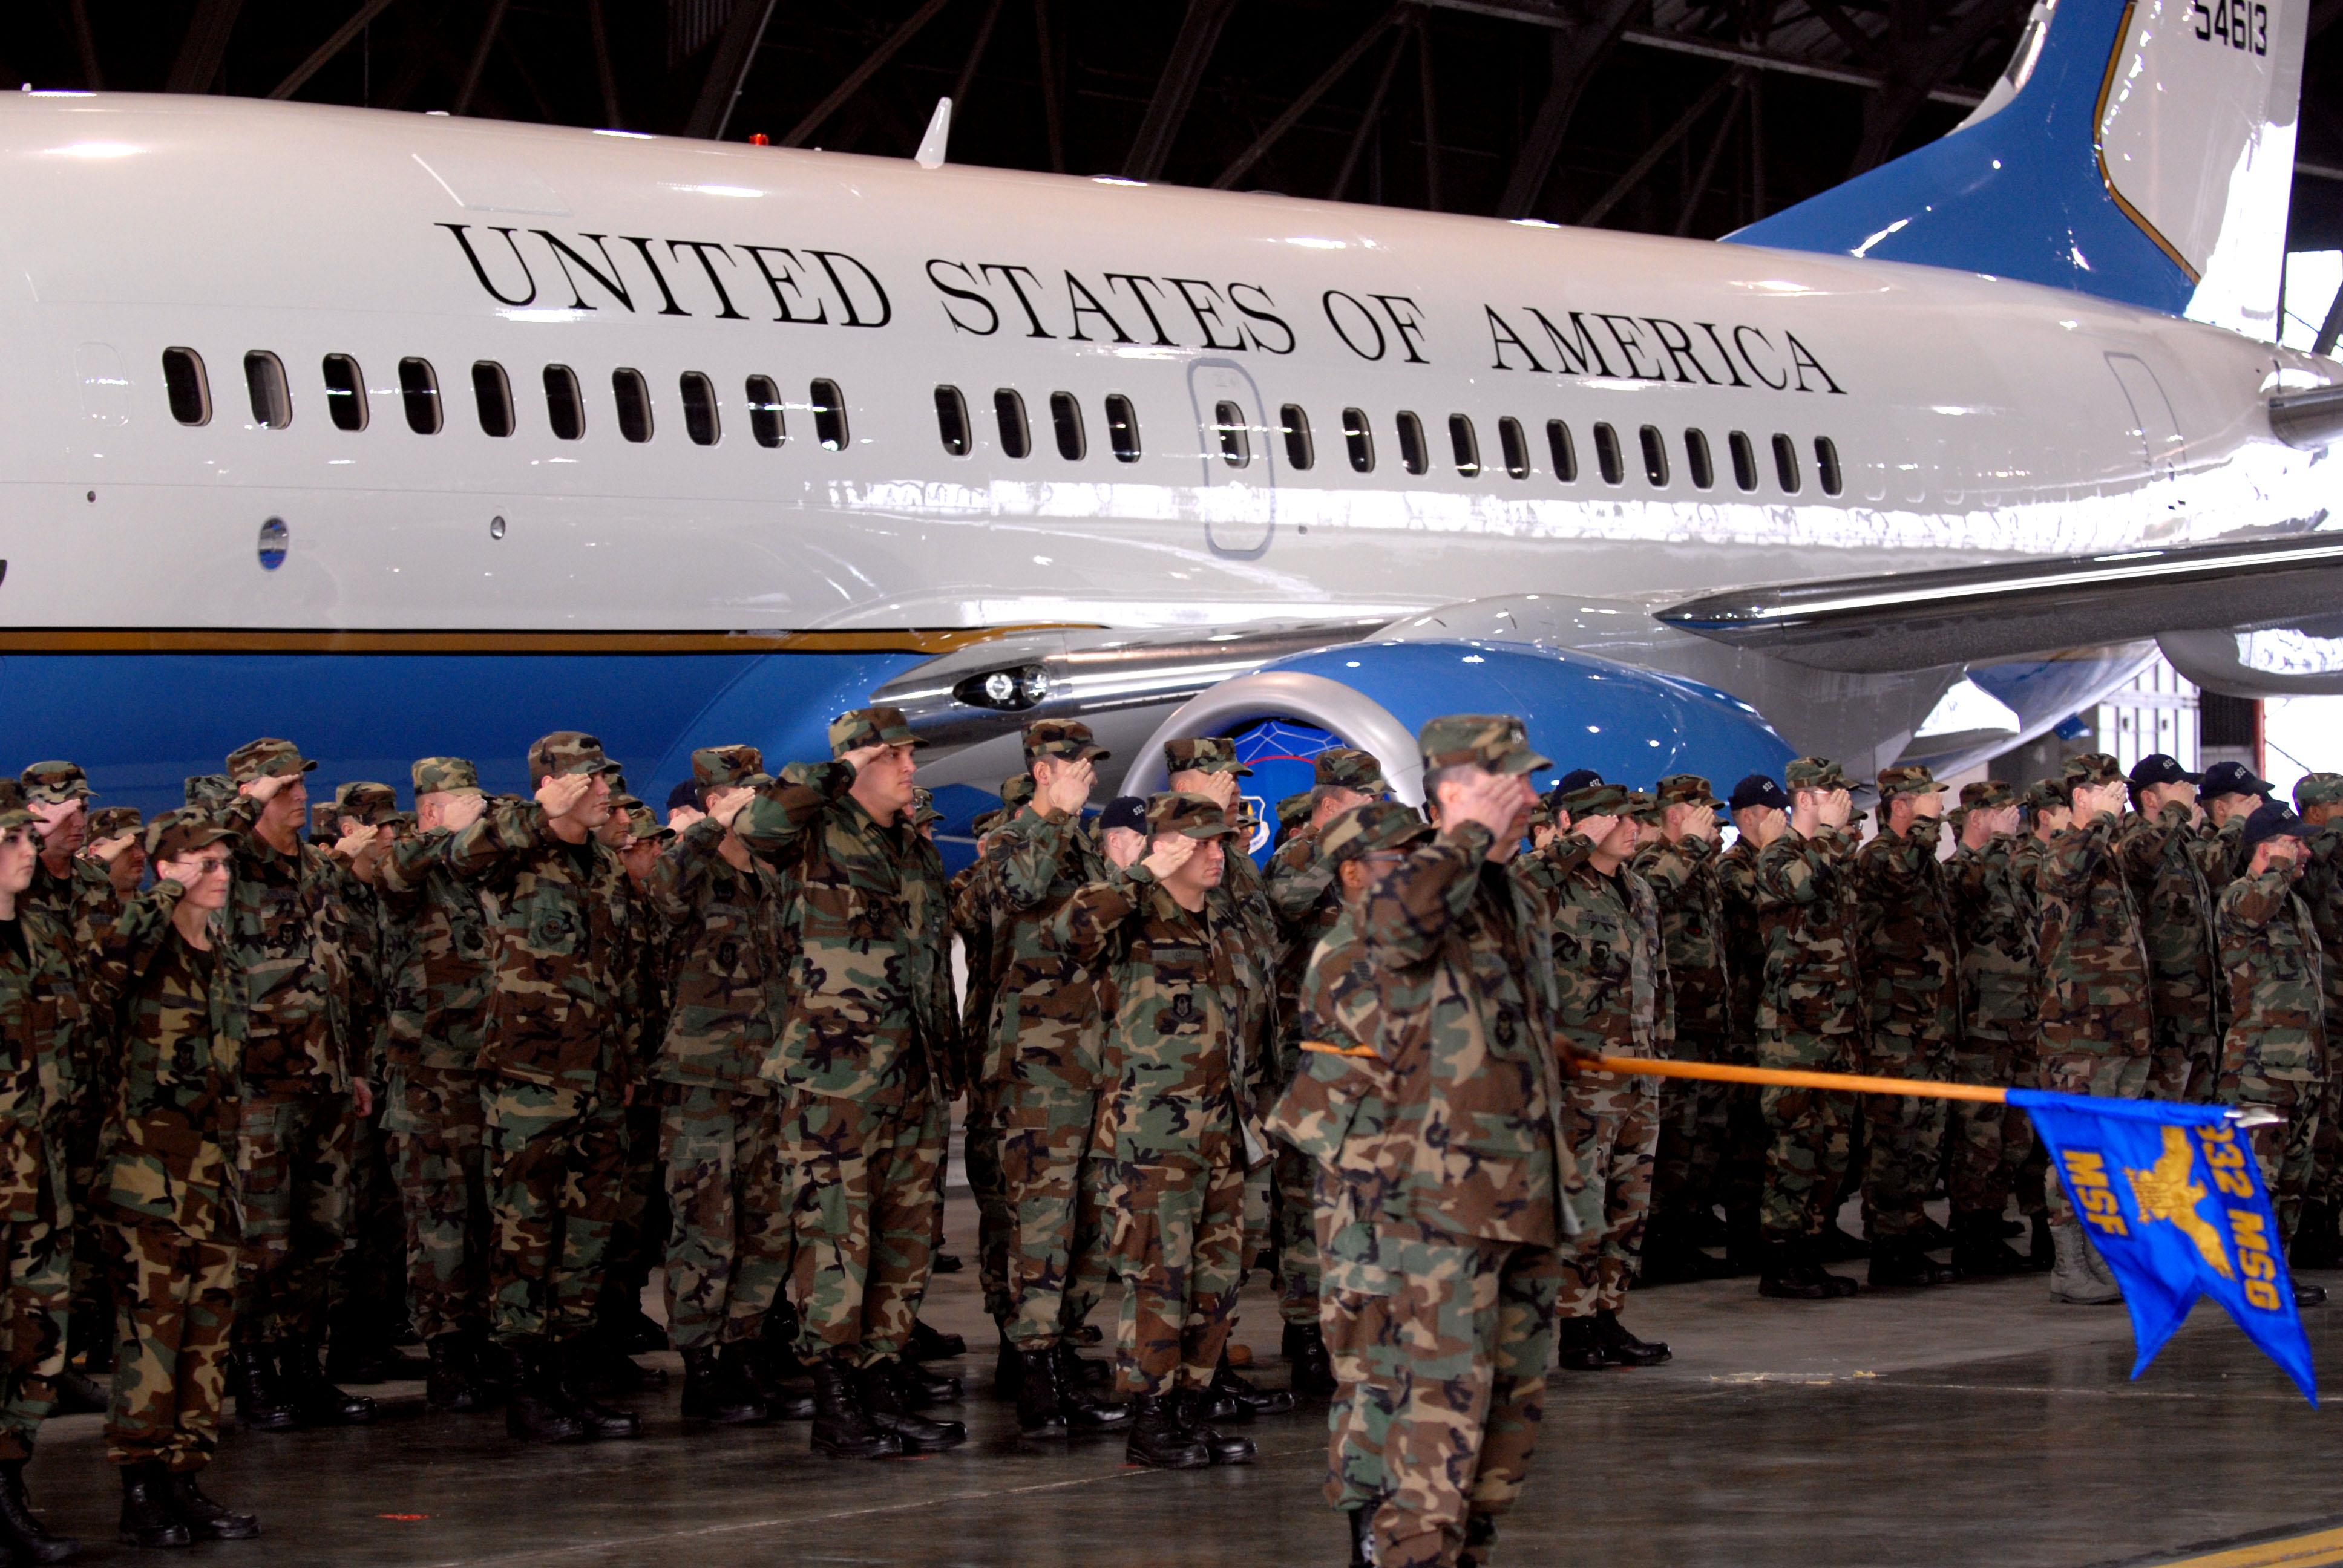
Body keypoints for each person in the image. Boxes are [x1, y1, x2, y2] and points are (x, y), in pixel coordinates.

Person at [1362, 714, 1578, 1568]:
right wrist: (1465, 835)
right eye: (1511, 782)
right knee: (1437, 1422)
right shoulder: (1410, 876)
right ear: (1458, 788)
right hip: (1444, 1210)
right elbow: (1398, 932)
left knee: (1506, 1427)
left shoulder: (1511, 891)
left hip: (1523, 1195)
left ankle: (1467, 1554)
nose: (1530, 797)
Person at [731, 707, 962, 1459]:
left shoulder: (914, 851)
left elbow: (930, 969)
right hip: (834, 1081)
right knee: (835, 1242)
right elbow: (757, 830)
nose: (909, 769)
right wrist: (830, 765)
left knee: (903, 1244)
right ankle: (836, 1400)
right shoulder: (813, 830)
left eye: (908, 756)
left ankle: (881, 1385)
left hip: (912, 1075)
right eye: (893, 756)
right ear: (857, 761)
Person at [1042, 791, 1270, 1471]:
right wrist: (1140, 871)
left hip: (1224, 1133)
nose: (1214, 854)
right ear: (1164, 848)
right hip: (1152, 1142)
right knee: (1155, 1282)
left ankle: (1189, 1413)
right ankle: (1148, 1420)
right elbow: (1067, 934)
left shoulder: (1225, 925)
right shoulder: (1130, 916)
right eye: (1199, 843)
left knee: (1215, 1284)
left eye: (1220, 842)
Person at [442, 732, 644, 1444]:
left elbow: (616, 978)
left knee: (586, 1239)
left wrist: (622, 1069)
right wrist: (537, 813)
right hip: (531, 1080)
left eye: (606, 781)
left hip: (597, 1077)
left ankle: (569, 1378)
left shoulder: (602, 866)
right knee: (525, 1238)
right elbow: (457, 856)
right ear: (552, 784)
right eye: (591, 782)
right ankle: (528, 1389)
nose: (605, 794)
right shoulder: (512, 850)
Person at [87, 809, 261, 1549]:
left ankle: (186, 1476)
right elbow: (107, 969)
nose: (219, 876)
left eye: (224, 864)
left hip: (209, 1172)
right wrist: (164, 892)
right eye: (204, 864)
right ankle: (140, 1486)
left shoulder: (217, 952)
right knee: (151, 1334)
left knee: (205, 1333)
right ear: (168, 868)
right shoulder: (142, 942)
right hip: (144, 1173)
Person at [1267, 799, 1429, 1568]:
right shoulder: (1345, 951)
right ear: (1355, 873)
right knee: (1371, 1360)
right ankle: (1367, 1520)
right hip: (1365, 1183)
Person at [214, 740, 378, 1434]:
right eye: (282, 789)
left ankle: (304, 1367)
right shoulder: (231, 864)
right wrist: (243, 805)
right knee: (259, 1240)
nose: (299, 797)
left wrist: (356, 1065)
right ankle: (251, 1369)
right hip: (260, 1085)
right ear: (250, 795)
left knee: (319, 1233)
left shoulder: (314, 867)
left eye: (299, 785)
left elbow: (337, 971)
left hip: (326, 1077)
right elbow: (200, 834)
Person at [650, 747, 806, 1426]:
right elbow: (661, 896)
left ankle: (745, 1353)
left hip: (766, 1079)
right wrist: (714, 825)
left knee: (766, 1230)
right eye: (748, 794)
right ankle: (702, 1367)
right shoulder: (688, 867)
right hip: (704, 1082)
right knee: (704, 1230)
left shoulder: (773, 875)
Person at [986, 720, 1130, 1437]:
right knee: (1041, 1224)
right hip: (1038, 1064)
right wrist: (1053, 817)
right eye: (1074, 763)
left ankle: (1066, 1350)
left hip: (1092, 1056)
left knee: (1088, 1224)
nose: (1088, 773)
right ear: (1041, 770)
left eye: (1090, 761)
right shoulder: (1018, 836)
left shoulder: (1082, 840)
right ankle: (1035, 1370)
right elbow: (1016, 893)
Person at [1262, 746, 1391, 1396]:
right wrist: (1330, 849)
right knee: (1300, 1200)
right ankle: (1302, 1328)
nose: (1379, 809)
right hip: (1305, 1055)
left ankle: (1351, 1326)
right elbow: (1284, 906)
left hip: (1368, 1055)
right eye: (1367, 799)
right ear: (1333, 802)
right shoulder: (1296, 858)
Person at [373, 759, 500, 1413]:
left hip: (484, 1076)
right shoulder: (410, 873)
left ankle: (483, 1344)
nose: (481, 814)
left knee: (485, 1222)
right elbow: (393, 876)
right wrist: (441, 839)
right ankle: (447, 1358)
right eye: (467, 802)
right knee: (440, 1229)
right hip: (427, 1083)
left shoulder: (479, 883)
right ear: (430, 811)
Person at [1533, 779, 1670, 1369]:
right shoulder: (1548, 885)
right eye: (1613, 818)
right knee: (1579, 1203)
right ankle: (1573, 1324)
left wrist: (1660, 1056)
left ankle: (1609, 1313)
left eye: (1633, 818)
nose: (1630, 827)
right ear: (1574, 820)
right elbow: (1515, 887)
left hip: (1637, 1074)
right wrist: (1568, 844)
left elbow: (1656, 979)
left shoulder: (1637, 889)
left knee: (1628, 1204)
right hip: (1579, 1082)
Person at [0, 786, 86, 1563]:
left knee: (33, 1336)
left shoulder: (41, 932)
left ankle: (8, 1486)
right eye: (13, 841)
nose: (31, 850)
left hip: (39, 1173)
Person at [2036, 753, 2154, 1305]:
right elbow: (2062, 873)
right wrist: (2100, 820)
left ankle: (2103, 1256)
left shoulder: (2108, 854)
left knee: (2114, 1149)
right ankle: (2068, 1265)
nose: (2117, 799)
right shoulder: (2066, 847)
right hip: (2078, 1034)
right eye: (2107, 791)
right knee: (2078, 1148)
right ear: (2081, 797)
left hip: (2122, 1031)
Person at [1750, 759, 1865, 1300]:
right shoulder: (1781, 852)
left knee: (1833, 1146)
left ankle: (1811, 1249)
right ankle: (1780, 1259)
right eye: (1834, 793)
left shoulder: (1828, 851)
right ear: (1808, 797)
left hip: (1838, 1026)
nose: (1844, 801)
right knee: (1795, 1144)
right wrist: (1827, 836)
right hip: (1794, 1029)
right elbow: (1798, 885)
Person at [2213, 800, 2328, 1306]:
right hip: (2258, 1066)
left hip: (2302, 1065)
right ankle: (2245, 1278)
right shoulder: (2240, 897)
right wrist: (2277, 866)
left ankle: (2272, 1274)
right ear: (2268, 847)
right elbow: (2257, 910)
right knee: (2255, 1178)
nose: (2304, 851)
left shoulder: (2295, 905)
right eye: (2293, 842)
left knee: (2293, 1178)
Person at [1852, 765, 1962, 1288]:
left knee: (1925, 1139)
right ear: (1901, 807)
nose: (1938, 808)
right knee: (1895, 1135)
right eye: (1928, 800)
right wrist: (1923, 828)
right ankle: (1889, 1246)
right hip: (1895, 1024)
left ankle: (1910, 1234)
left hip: (1930, 1023)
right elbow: (1898, 877)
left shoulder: (1924, 860)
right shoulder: (1879, 858)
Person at [1634, 774, 1734, 1282]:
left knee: (1702, 1138)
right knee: (1674, 1138)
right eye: (1702, 811)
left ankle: (1684, 1234)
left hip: (1709, 1022)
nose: (1713, 820)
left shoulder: (1702, 867)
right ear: (1676, 815)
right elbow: (1649, 895)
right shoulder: (1655, 862)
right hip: (1676, 1027)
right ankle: (1658, 1244)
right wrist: (1692, 846)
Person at [1945, 780, 2042, 1275]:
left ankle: (1991, 1223)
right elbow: (1971, 889)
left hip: (2020, 1023)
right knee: (1979, 1135)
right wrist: (2000, 842)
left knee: (2015, 1137)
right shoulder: (1962, 869)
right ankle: (1971, 1234)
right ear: (1977, 818)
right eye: (2003, 812)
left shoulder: (2007, 874)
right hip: (1982, 1026)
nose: (2014, 819)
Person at [2118, 754, 2223, 1103]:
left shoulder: (2180, 847)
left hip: (2196, 1009)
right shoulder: (2133, 839)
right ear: (2149, 798)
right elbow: (2144, 861)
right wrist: (2176, 812)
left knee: (2192, 1122)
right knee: (2160, 1116)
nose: (2188, 791)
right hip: (2163, 1012)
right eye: (2176, 786)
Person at [2290, 773, 2343, 1267]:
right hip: (2320, 1013)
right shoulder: (2308, 857)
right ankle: (2313, 1229)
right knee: (2320, 1123)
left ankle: (2329, 1222)